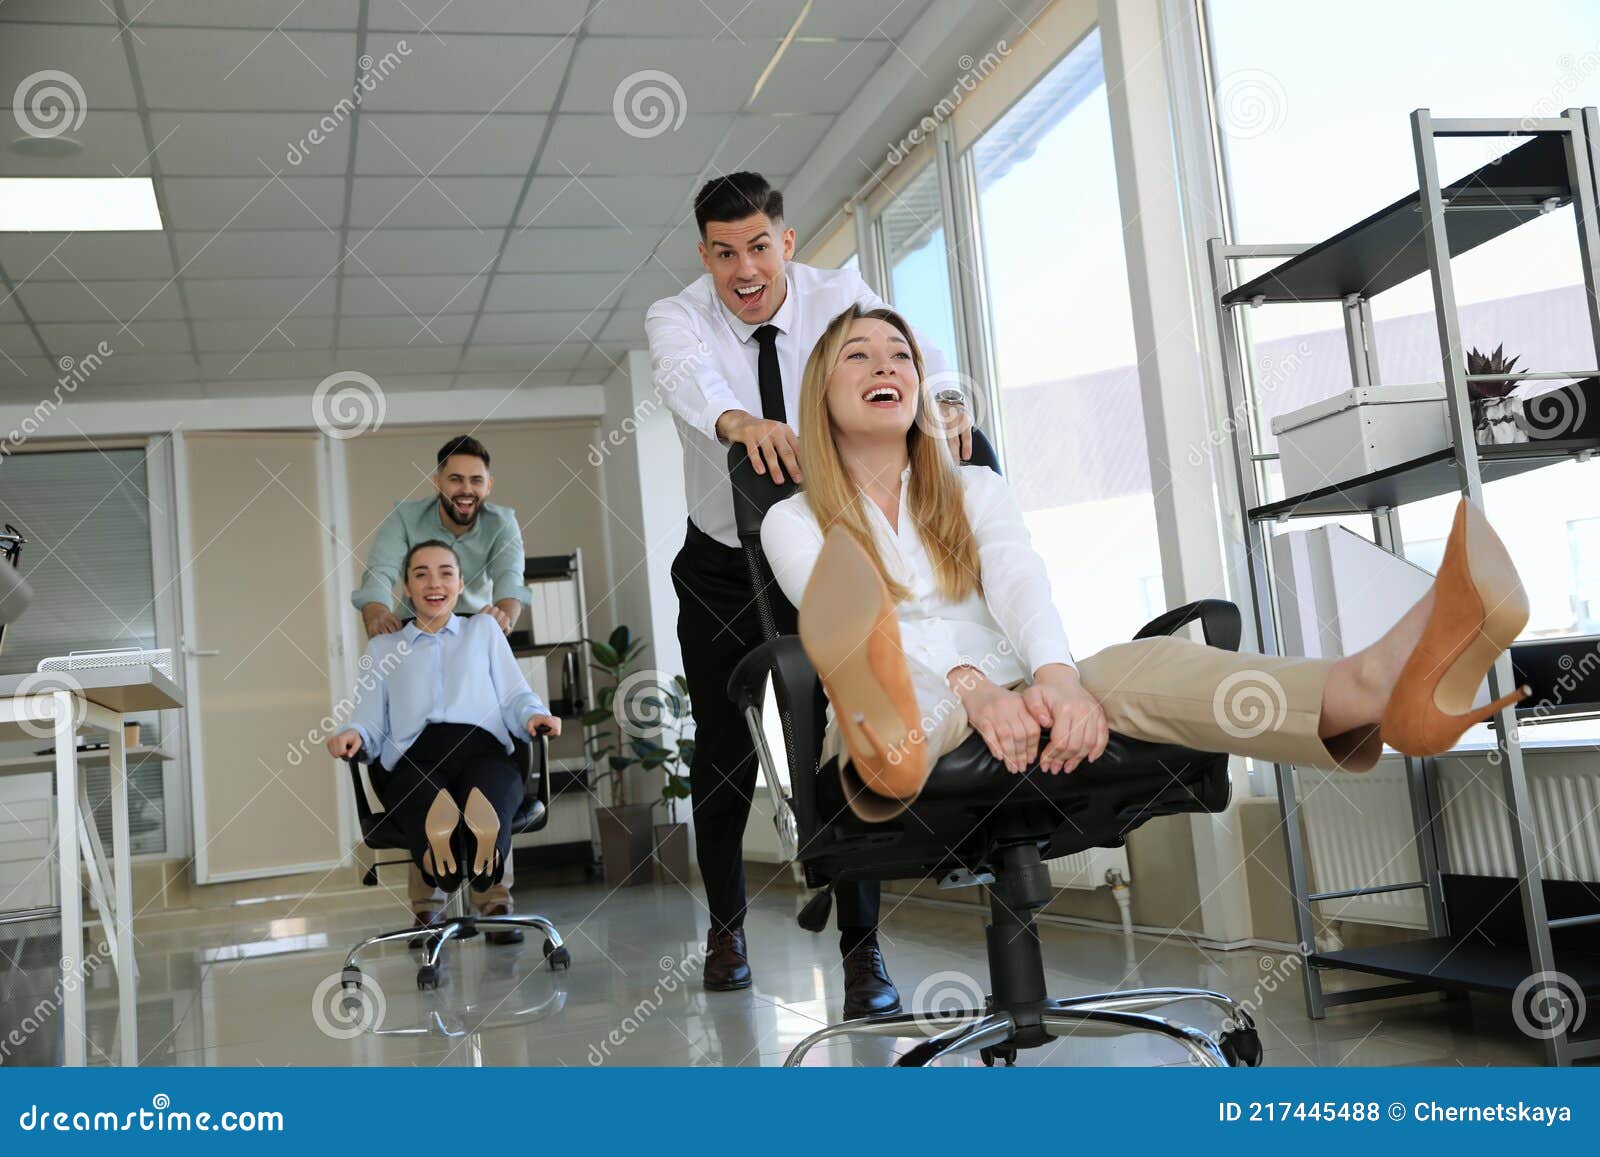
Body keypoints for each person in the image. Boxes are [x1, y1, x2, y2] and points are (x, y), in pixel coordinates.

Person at [760, 304, 1532, 821]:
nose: (885, 363)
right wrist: (970, 688)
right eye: (857, 355)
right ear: (820, 394)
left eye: (901, 353)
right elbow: (872, 624)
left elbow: (1019, 580)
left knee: (1139, 666)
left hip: (1017, 678)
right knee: (906, 677)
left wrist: (1057, 677)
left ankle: (1376, 686)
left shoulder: (975, 487)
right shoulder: (791, 521)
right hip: (902, 704)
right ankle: (893, 746)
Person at [645, 171, 970, 1018]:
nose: (744, 270)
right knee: (724, 746)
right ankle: (726, 927)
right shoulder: (678, 314)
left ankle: (864, 954)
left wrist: (946, 399)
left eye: (759, 247)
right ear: (705, 255)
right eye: (724, 254)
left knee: (851, 721)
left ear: (786, 242)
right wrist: (739, 424)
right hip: (720, 563)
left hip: (826, 552)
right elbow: (686, 379)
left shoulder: (840, 295)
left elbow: (916, 358)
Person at [350, 434, 532, 941]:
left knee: (484, 762)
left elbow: (511, 580)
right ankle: (428, 904)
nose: (466, 488)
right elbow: (380, 573)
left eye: (476, 480)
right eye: (455, 478)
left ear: (488, 485)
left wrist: (499, 620)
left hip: (476, 629)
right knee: (420, 760)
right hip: (412, 631)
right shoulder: (407, 518)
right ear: (438, 483)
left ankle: (496, 900)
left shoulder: (502, 522)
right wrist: (379, 613)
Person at [328, 541, 562, 910]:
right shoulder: (383, 648)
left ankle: (471, 851)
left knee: (490, 790)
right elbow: (368, 718)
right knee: (423, 797)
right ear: (405, 587)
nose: (434, 583)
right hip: (415, 758)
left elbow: (516, 694)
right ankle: (446, 852)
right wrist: (353, 734)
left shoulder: (483, 630)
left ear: (461, 582)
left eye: (446, 573)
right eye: (421, 575)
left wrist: (535, 716)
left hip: (482, 750)